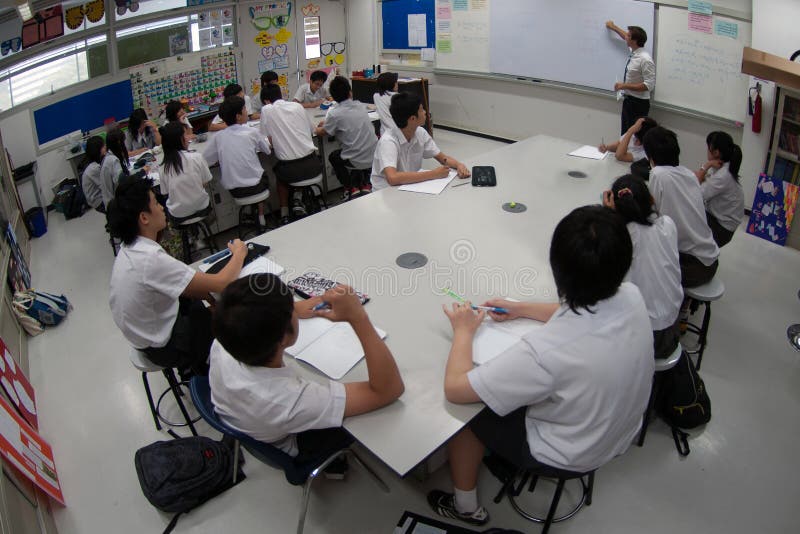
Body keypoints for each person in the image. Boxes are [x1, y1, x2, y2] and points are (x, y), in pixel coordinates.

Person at [427, 205, 653, 526]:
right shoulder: (631, 295)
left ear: (556, 267)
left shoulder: (546, 351)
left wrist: (463, 332)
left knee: (469, 415)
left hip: (568, 452)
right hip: (620, 429)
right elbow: (581, 311)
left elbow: (456, 388)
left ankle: (464, 506)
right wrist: (522, 309)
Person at [210, 276, 404, 466]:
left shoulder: (226, 336)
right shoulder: (291, 400)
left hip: (241, 416)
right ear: (283, 338)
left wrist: (291, 310)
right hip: (292, 440)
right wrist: (358, 317)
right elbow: (387, 390)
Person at [107, 175, 247, 376]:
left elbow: (189, 287)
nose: (162, 207)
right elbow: (222, 283)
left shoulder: (129, 249)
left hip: (146, 338)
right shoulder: (149, 258)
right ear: (144, 218)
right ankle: (219, 372)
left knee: (207, 299)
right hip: (165, 346)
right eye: (156, 203)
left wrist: (206, 296)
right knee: (235, 316)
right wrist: (240, 253)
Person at [603, 175, 683, 359]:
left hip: (646, 338)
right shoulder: (668, 224)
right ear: (651, 200)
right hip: (672, 326)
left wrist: (609, 215)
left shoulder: (625, 236)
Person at [643, 126, 719, 288]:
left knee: (641, 260)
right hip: (710, 261)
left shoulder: (658, 174)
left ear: (650, 156)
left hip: (693, 267)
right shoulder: (688, 174)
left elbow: (650, 214)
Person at [370, 92, 470, 191]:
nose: (425, 112)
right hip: (385, 191)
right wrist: (433, 174)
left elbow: (443, 158)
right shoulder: (388, 141)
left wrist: (458, 165)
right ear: (412, 119)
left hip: (409, 185)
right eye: (422, 110)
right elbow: (392, 178)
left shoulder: (420, 133)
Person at [260, 83, 324, 226]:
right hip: (313, 164)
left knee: (279, 172)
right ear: (281, 95)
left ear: (266, 101)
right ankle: (298, 197)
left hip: (291, 171)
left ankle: (285, 213)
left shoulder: (267, 110)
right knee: (291, 163)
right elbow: (312, 130)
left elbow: (265, 139)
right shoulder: (297, 107)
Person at [205, 96, 271, 229]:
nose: (247, 112)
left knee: (252, 174)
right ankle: (261, 217)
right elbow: (267, 151)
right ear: (238, 116)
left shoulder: (218, 137)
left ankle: (251, 216)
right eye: (244, 109)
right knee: (262, 173)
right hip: (257, 187)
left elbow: (205, 160)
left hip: (236, 191)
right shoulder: (252, 132)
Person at [315, 76, 378, 200]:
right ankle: (365, 183)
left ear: (333, 96)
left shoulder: (334, 113)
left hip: (356, 159)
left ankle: (350, 187)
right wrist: (328, 123)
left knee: (334, 157)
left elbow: (322, 132)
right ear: (350, 92)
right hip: (374, 155)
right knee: (358, 147)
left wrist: (314, 128)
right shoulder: (360, 106)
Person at [694, 131, 745, 247]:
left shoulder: (723, 175)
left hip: (721, 229)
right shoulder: (722, 166)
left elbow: (696, 194)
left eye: (708, 148)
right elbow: (698, 179)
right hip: (718, 218)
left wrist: (707, 165)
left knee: (685, 214)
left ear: (716, 152)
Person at [605, 21, 655, 135]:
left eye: (628, 36)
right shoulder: (635, 51)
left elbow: (649, 85)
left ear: (634, 41)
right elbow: (624, 36)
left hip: (638, 104)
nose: (625, 37)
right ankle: (624, 152)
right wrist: (613, 27)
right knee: (625, 134)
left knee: (635, 136)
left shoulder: (645, 59)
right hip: (628, 101)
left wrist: (624, 85)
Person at [158, 121, 213, 222]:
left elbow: (165, 192)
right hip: (201, 208)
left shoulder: (163, 167)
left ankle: (187, 236)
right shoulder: (196, 157)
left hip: (178, 215)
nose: (188, 139)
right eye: (185, 135)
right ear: (180, 140)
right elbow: (206, 181)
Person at [100, 128, 148, 209]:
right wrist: (142, 172)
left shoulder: (109, 156)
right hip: (115, 204)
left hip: (114, 199)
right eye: (123, 142)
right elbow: (125, 182)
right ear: (119, 143)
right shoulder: (112, 160)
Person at [81, 135, 106, 212]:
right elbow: (106, 186)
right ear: (98, 149)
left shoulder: (94, 162)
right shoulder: (94, 168)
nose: (105, 147)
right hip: (99, 201)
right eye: (103, 146)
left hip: (98, 196)